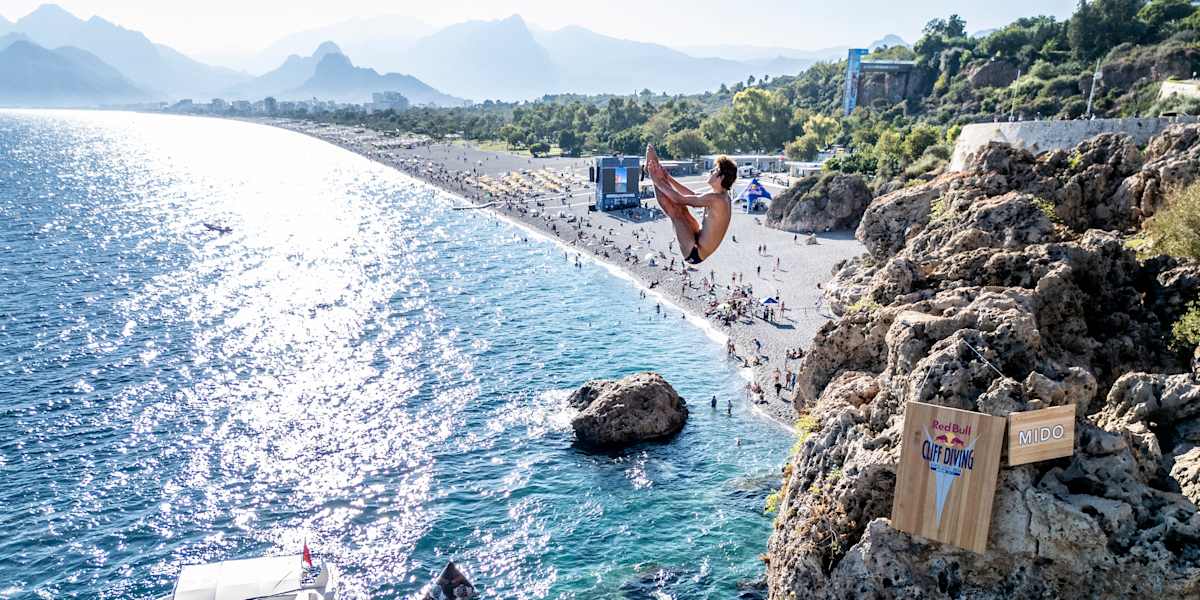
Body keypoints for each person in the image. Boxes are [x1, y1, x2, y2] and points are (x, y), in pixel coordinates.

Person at [645, 144, 736, 265]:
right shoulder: (721, 195)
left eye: (715, 170)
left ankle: (652, 171)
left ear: (721, 177)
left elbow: (679, 199)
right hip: (699, 236)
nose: (711, 171)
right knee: (682, 209)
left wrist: (655, 179)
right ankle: (655, 170)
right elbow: (692, 195)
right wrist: (668, 178)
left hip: (695, 252)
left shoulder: (718, 200)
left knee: (675, 212)